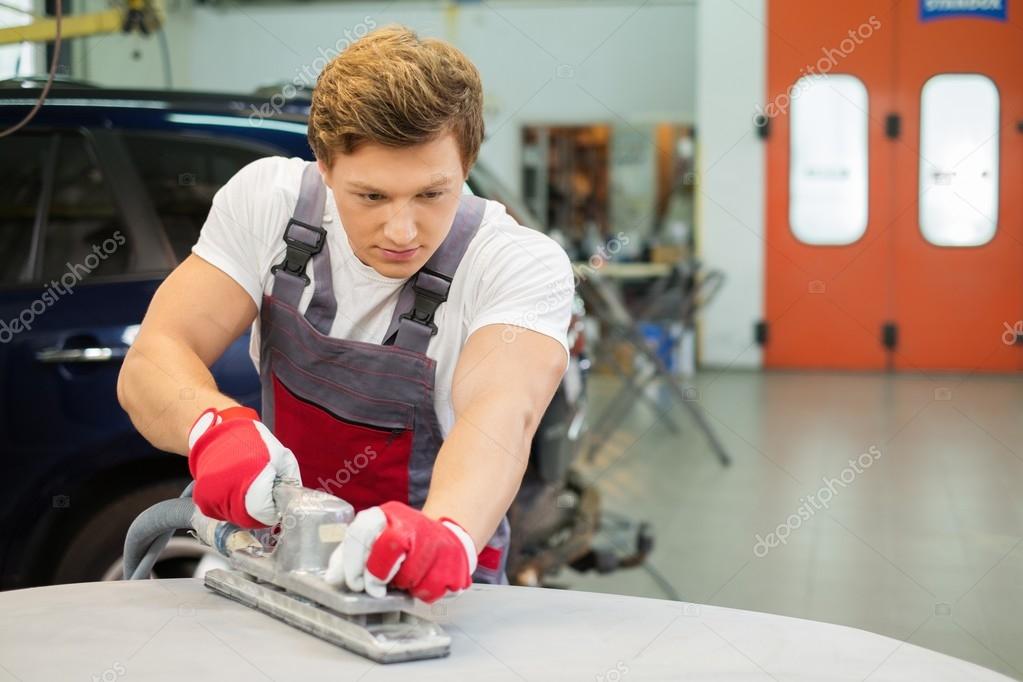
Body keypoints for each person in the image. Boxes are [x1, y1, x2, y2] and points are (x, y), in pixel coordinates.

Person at [116, 25, 573, 604]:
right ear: (326, 167)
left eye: (432, 194)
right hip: (282, 566)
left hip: (434, 587)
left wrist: (448, 532)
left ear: (468, 163)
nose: (403, 232)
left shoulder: (517, 263)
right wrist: (213, 428)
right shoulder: (270, 206)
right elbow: (156, 355)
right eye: (372, 197)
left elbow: (501, 414)